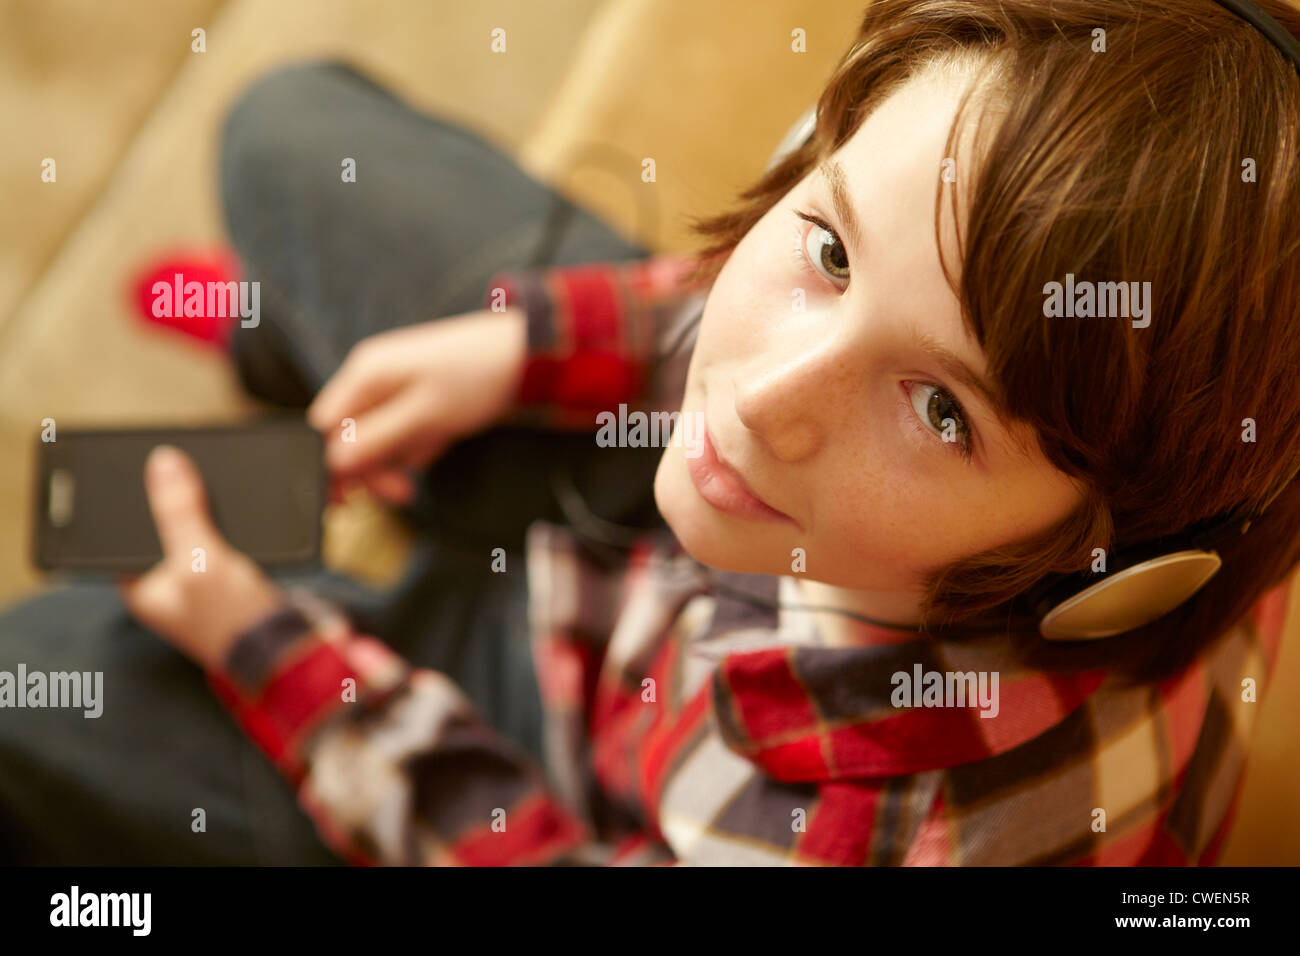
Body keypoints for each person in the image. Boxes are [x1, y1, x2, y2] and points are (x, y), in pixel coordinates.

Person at [3, 0, 1300, 865]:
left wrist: (271, 649)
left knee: (27, 683)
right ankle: (276, 346)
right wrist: (527, 345)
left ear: (1106, 568)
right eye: (834, 249)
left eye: (942, 409)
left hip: (572, 766)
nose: (757, 402)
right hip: (688, 581)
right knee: (282, 135)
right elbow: (888, 275)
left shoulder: (860, 835)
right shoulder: (1213, 409)